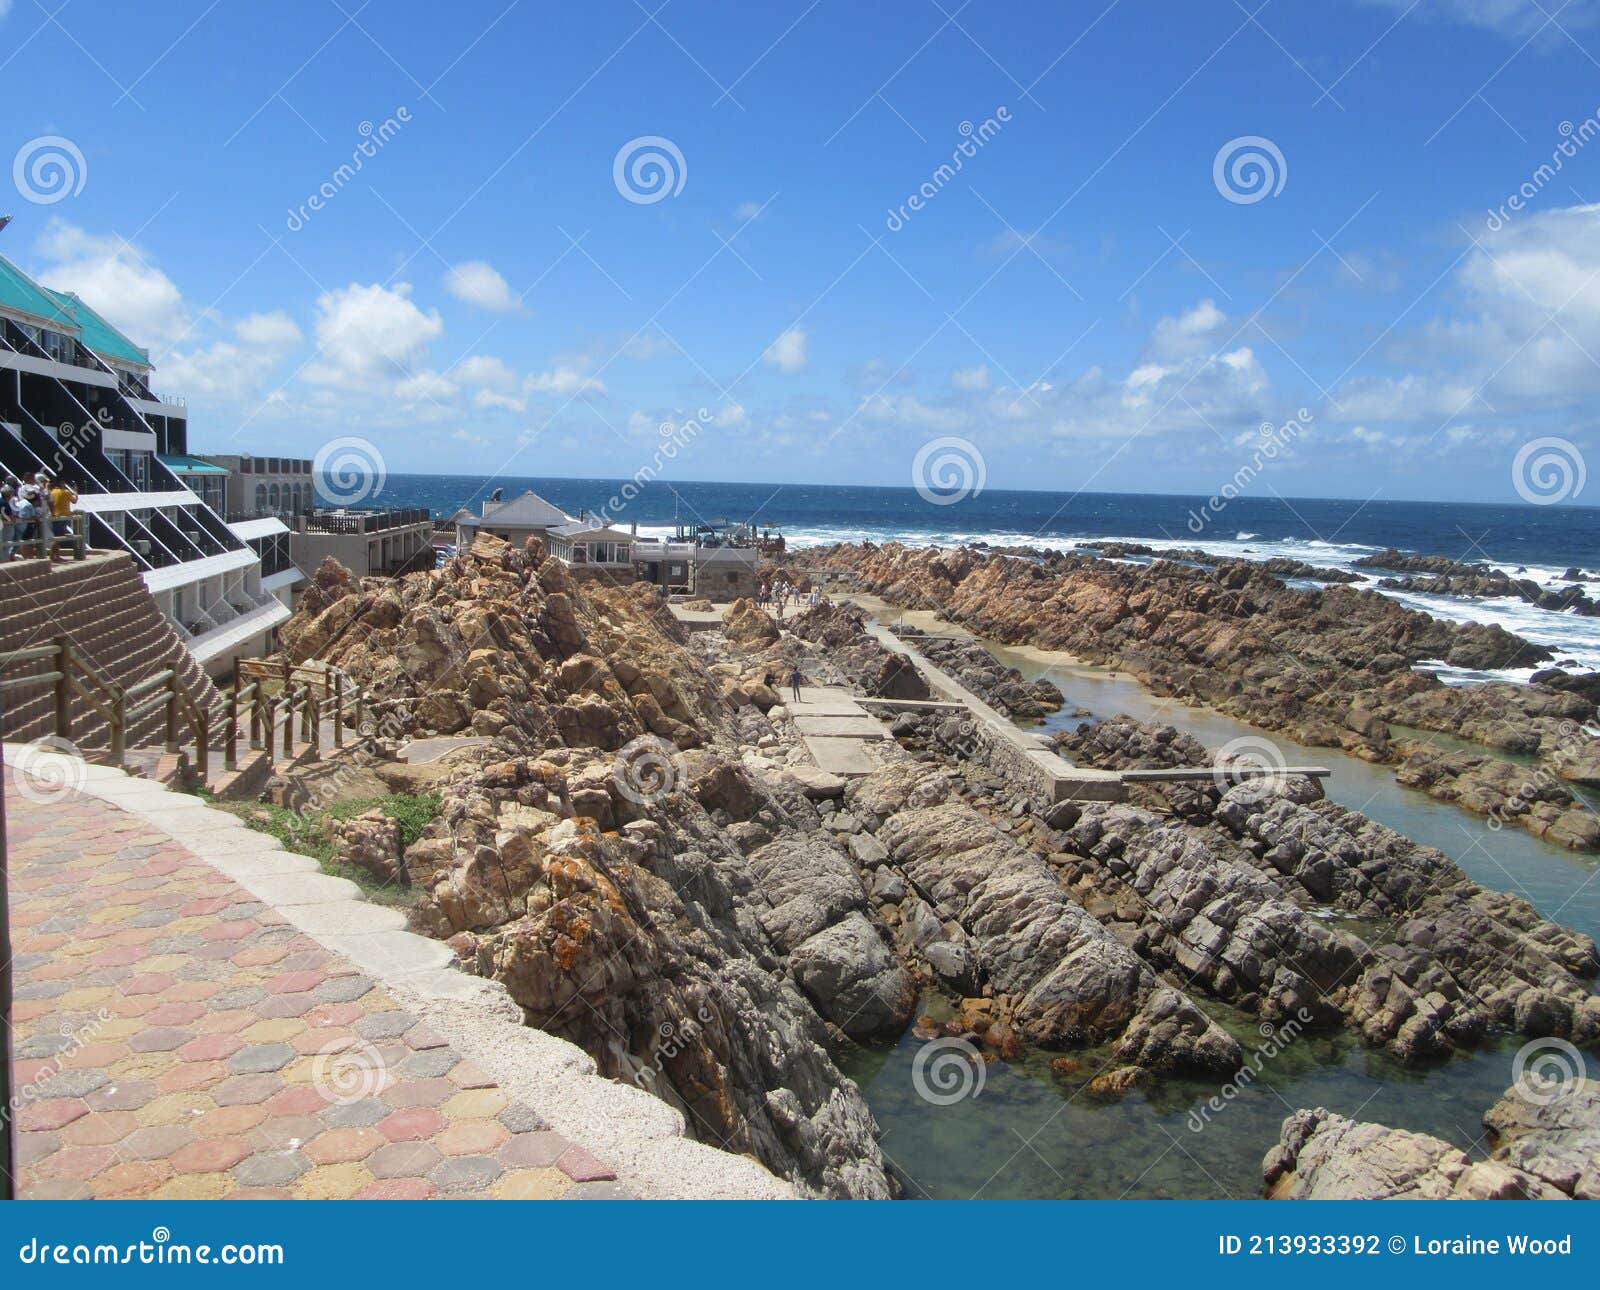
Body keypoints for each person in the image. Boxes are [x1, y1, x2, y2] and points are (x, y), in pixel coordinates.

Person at [47, 475, 78, 562]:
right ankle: (54, 556)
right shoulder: (66, 492)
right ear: (61, 483)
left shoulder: (52, 492)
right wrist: (75, 491)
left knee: (56, 537)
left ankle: (55, 555)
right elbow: (74, 501)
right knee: (58, 538)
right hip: (63, 517)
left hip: (53, 517)